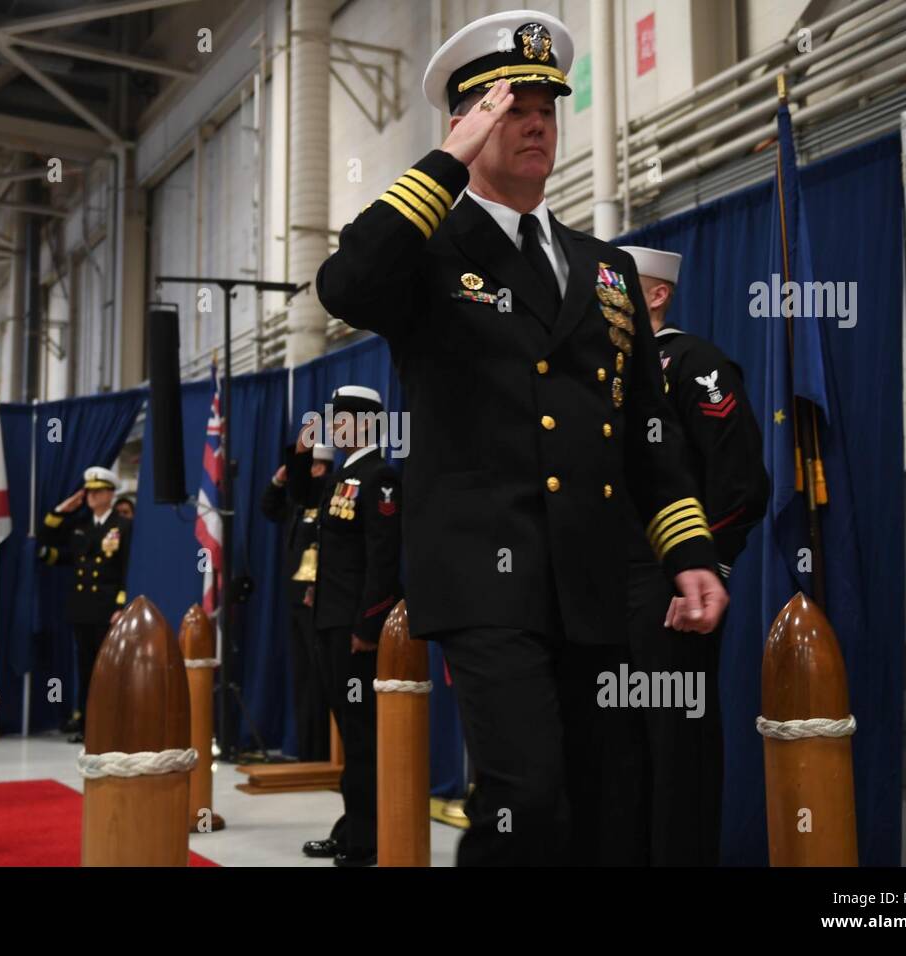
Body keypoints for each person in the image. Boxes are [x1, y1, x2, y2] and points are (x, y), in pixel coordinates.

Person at [315, 10, 727, 866]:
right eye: (513, 108)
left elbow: (644, 427)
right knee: (524, 800)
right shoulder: (429, 249)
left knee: (601, 802)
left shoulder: (604, 266)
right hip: (481, 580)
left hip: (590, 576)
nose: (537, 122)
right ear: (468, 123)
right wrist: (445, 163)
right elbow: (345, 283)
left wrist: (688, 550)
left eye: (547, 107)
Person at [592, 246, 770, 865]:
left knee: (675, 752)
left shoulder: (692, 363)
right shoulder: (602, 374)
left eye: (619, 289)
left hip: (668, 580)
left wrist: (703, 568)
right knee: (616, 752)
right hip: (605, 585)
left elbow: (741, 481)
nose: (604, 303)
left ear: (658, 294)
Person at [299, 388, 401, 867]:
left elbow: (383, 559)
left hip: (355, 631)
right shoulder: (343, 475)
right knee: (349, 728)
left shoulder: (379, 477)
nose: (331, 428)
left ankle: (367, 839)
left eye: (338, 420)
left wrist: (369, 623)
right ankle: (352, 826)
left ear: (363, 424)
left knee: (361, 735)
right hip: (331, 621)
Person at [39, 466, 132, 743]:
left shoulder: (123, 526)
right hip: (83, 607)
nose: (91, 496)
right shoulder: (80, 525)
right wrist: (61, 510)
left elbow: (127, 567)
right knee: (86, 668)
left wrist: (121, 605)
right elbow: (46, 541)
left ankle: (112, 725)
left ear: (110, 494)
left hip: (108, 609)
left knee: (109, 670)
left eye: (98, 491)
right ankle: (86, 725)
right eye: (89, 491)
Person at [261, 441, 335, 762]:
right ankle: (306, 748)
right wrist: (279, 480)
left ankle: (320, 751)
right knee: (302, 676)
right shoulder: (299, 498)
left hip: (314, 597)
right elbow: (269, 508)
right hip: (293, 597)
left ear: (320, 467)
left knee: (318, 678)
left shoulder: (327, 495)